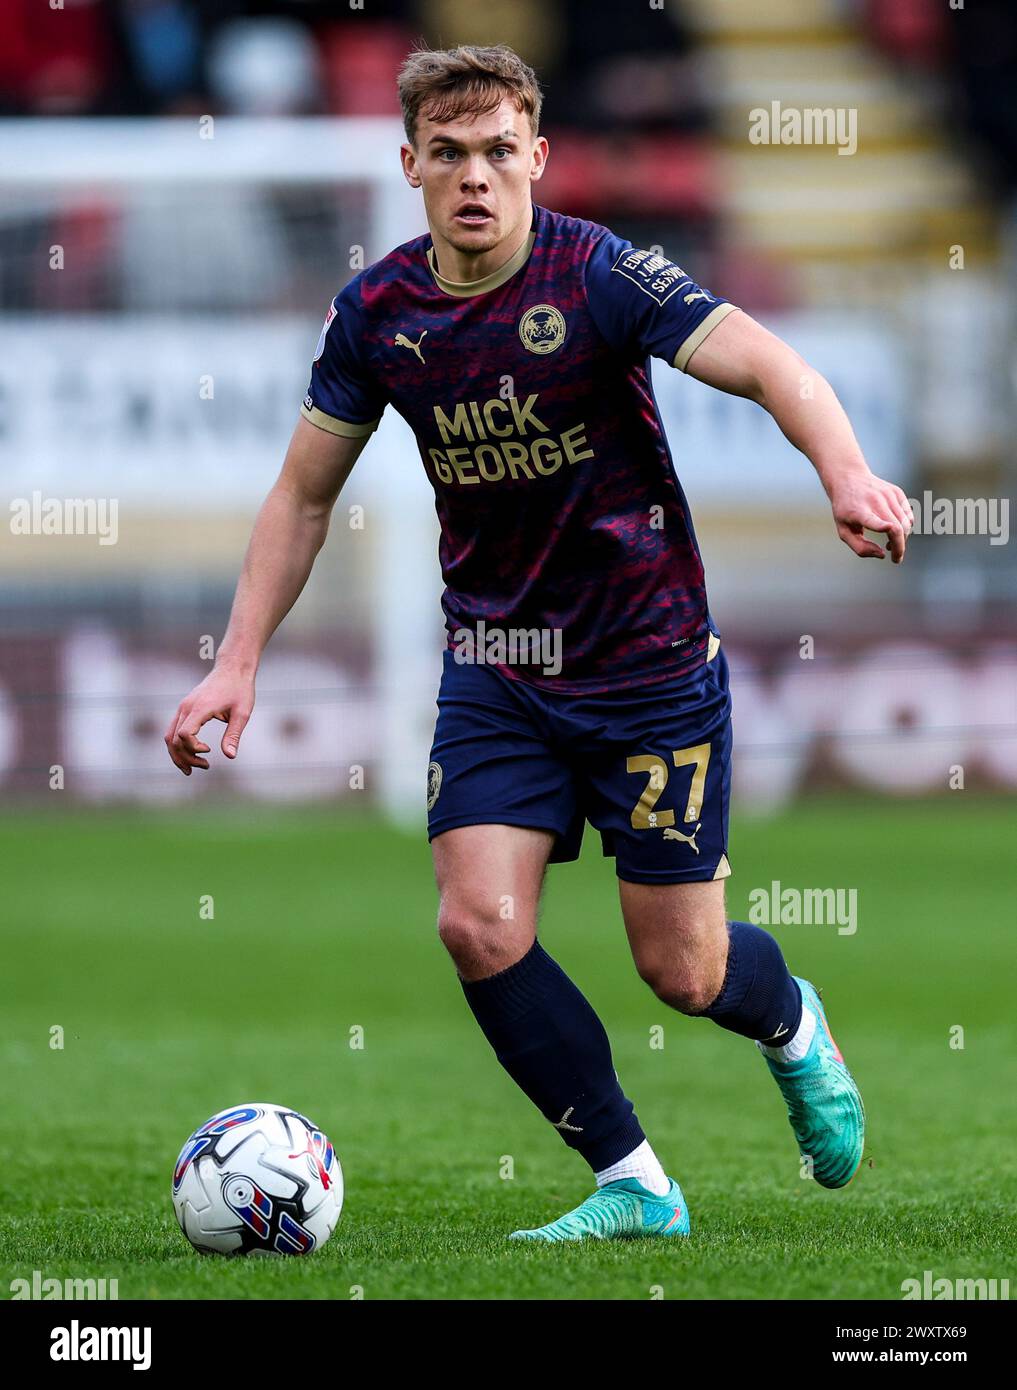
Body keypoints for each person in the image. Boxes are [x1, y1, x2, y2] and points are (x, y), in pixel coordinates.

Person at [166, 43, 912, 1242]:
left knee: (684, 971)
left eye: (499, 151)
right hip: (498, 669)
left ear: (539, 159)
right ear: (409, 165)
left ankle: (790, 1021)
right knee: (477, 925)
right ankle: (635, 1181)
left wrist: (846, 472)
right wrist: (237, 658)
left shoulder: (600, 274)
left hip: (650, 668)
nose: (476, 175)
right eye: (450, 153)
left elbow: (770, 363)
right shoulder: (378, 313)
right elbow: (303, 496)